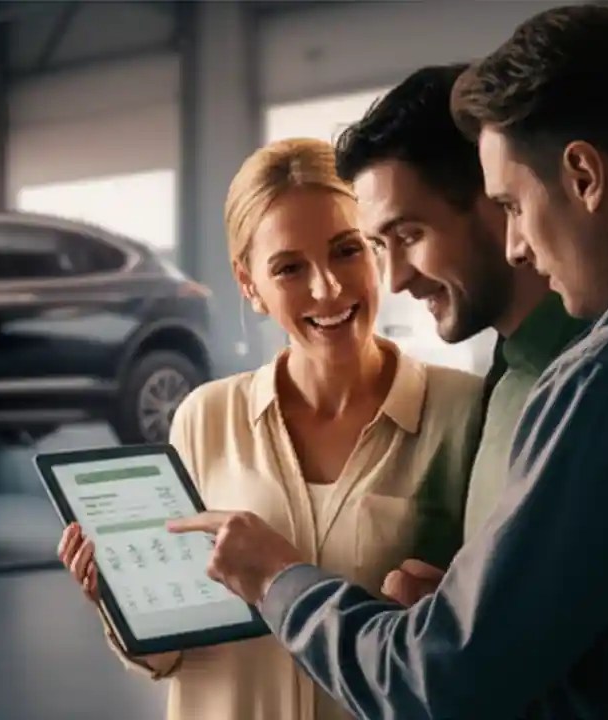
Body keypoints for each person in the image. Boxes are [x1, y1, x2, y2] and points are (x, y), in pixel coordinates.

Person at [168, 5, 608, 718]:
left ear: (583, 175)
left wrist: (279, 579)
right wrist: (482, 616)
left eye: (512, 205)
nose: (516, 243)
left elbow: (437, 682)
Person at [56, 137, 486, 720]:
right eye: (289, 268)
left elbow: (486, 644)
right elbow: (170, 655)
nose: (327, 288)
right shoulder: (205, 418)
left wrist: (449, 617)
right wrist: (119, 599)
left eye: (346, 251)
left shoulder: (463, 411)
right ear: (250, 285)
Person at [329, 63, 590, 606]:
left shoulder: (592, 379)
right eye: (378, 246)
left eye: (410, 234)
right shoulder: (506, 376)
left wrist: (278, 582)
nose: (394, 279)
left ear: (498, 199)